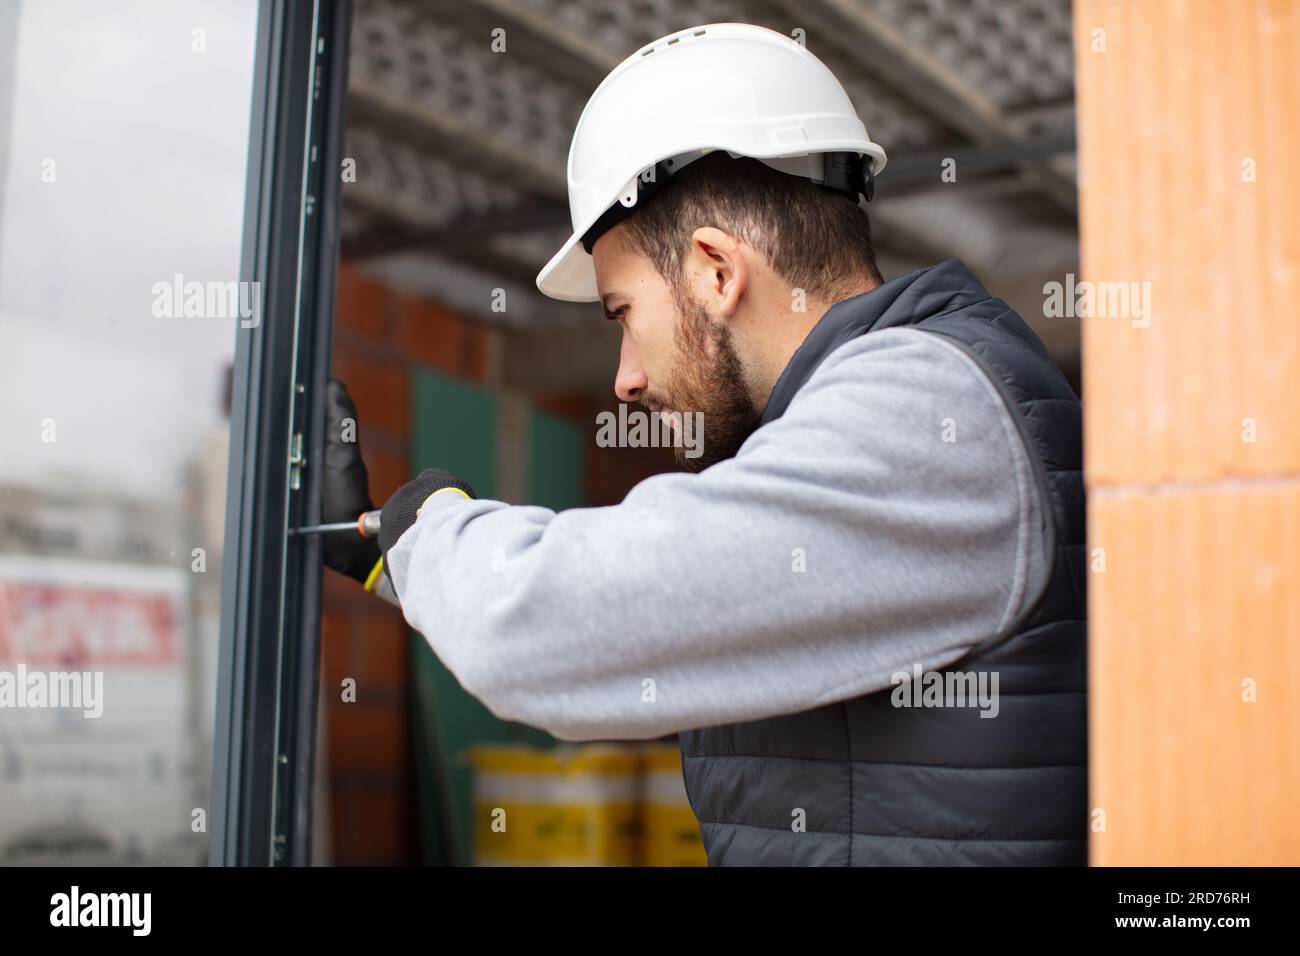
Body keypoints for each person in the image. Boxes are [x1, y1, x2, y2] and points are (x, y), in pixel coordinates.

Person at [323, 23, 1086, 867]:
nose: (622, 378)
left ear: (716, 271)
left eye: (622, 314)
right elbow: (662, 625)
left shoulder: (927, 411)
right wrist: (386, 559)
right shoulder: (876, 424)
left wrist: (428, 524)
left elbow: (543, 627)